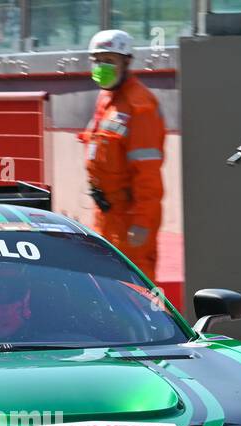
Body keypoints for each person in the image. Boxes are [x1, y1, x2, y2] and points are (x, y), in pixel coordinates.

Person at [80, 29, 165, 280]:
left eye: (109, 61)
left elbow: (148, 175)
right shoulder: (106, 100)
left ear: (126, 62)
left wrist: (142, 223)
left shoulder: (140, 106)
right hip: (106, 214)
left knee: (135, 286)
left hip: (129, 219)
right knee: (107, 284)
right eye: (97, 60)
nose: (101, 66)